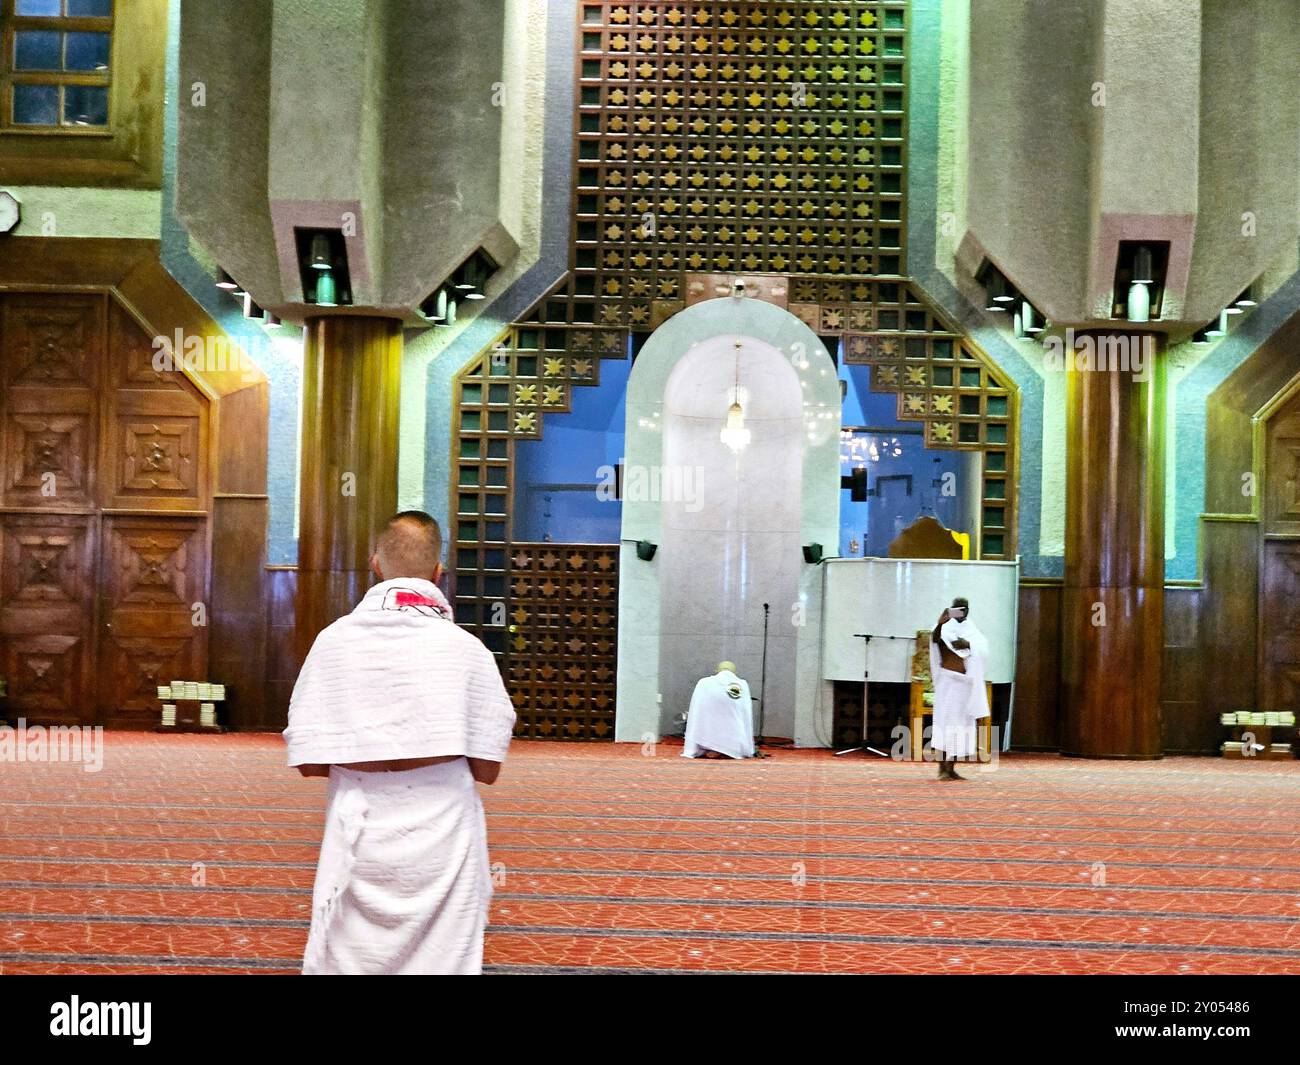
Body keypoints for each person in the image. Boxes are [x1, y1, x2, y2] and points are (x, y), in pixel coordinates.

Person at [283, 511, 516, 974]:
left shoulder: (333, 642)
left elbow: (308, 762)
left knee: (349, 955)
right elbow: (488, 770)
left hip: (360, 829)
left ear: (375, 564)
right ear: (438, 573)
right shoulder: (467, 650)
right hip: (444, 837)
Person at [929, 596, 990, 781]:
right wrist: (940, 624)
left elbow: (983, 649)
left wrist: (968, 644)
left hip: (965, 685)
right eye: (957, 608)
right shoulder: (942, 628)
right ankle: (942, 769)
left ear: (968, 610)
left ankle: (951, 768)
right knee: (944, 725)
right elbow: (935, 641)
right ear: (951, 609)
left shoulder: (972, 630)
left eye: (964, 608)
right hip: (948, 683)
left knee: (961, 727)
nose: (960, 612)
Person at [682, 661, 755, 759]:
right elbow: (745, 711)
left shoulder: (704, 682)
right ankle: (727, 750)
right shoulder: (741, 684)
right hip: (733, 736)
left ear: (717, 670)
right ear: (735, 672)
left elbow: (697, 707)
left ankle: (711, 748)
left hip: (709, 726)